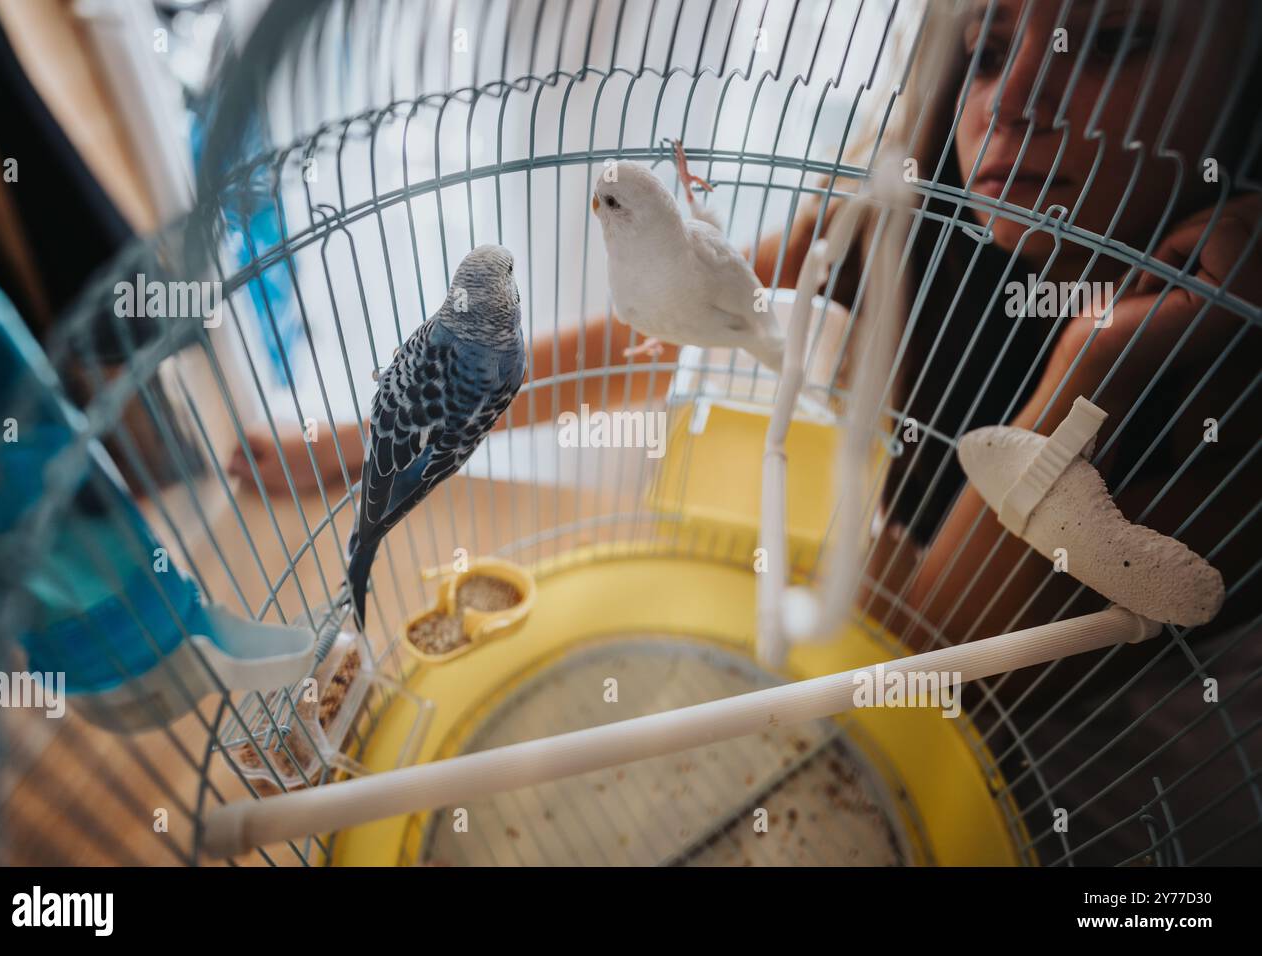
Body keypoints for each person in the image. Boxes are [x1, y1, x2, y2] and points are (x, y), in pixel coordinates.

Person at [230, 0, 1261, 863]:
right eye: (988, 53)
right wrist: (361, 444)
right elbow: (667, 308)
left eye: (1113, 44)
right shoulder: (910, 215)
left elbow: (942, 670)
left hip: (1040, 795)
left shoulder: (1223, 359)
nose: (1016, 103)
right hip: (838, 678)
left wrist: (1091, 365)